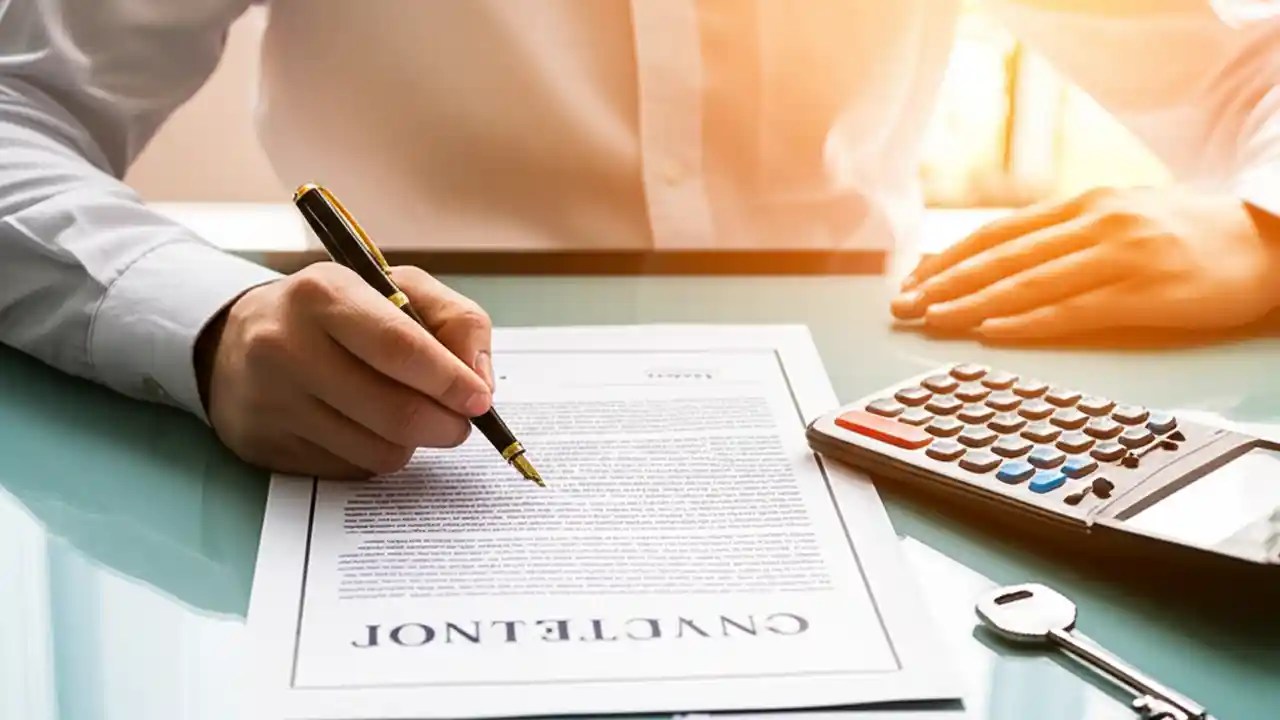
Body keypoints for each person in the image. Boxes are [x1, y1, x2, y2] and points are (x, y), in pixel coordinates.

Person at [1, 1, 1278, 478]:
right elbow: (18, 108)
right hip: (379, 404)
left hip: (880, 393)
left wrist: (1262, 220)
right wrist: (212, 318)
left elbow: (1244, 67)